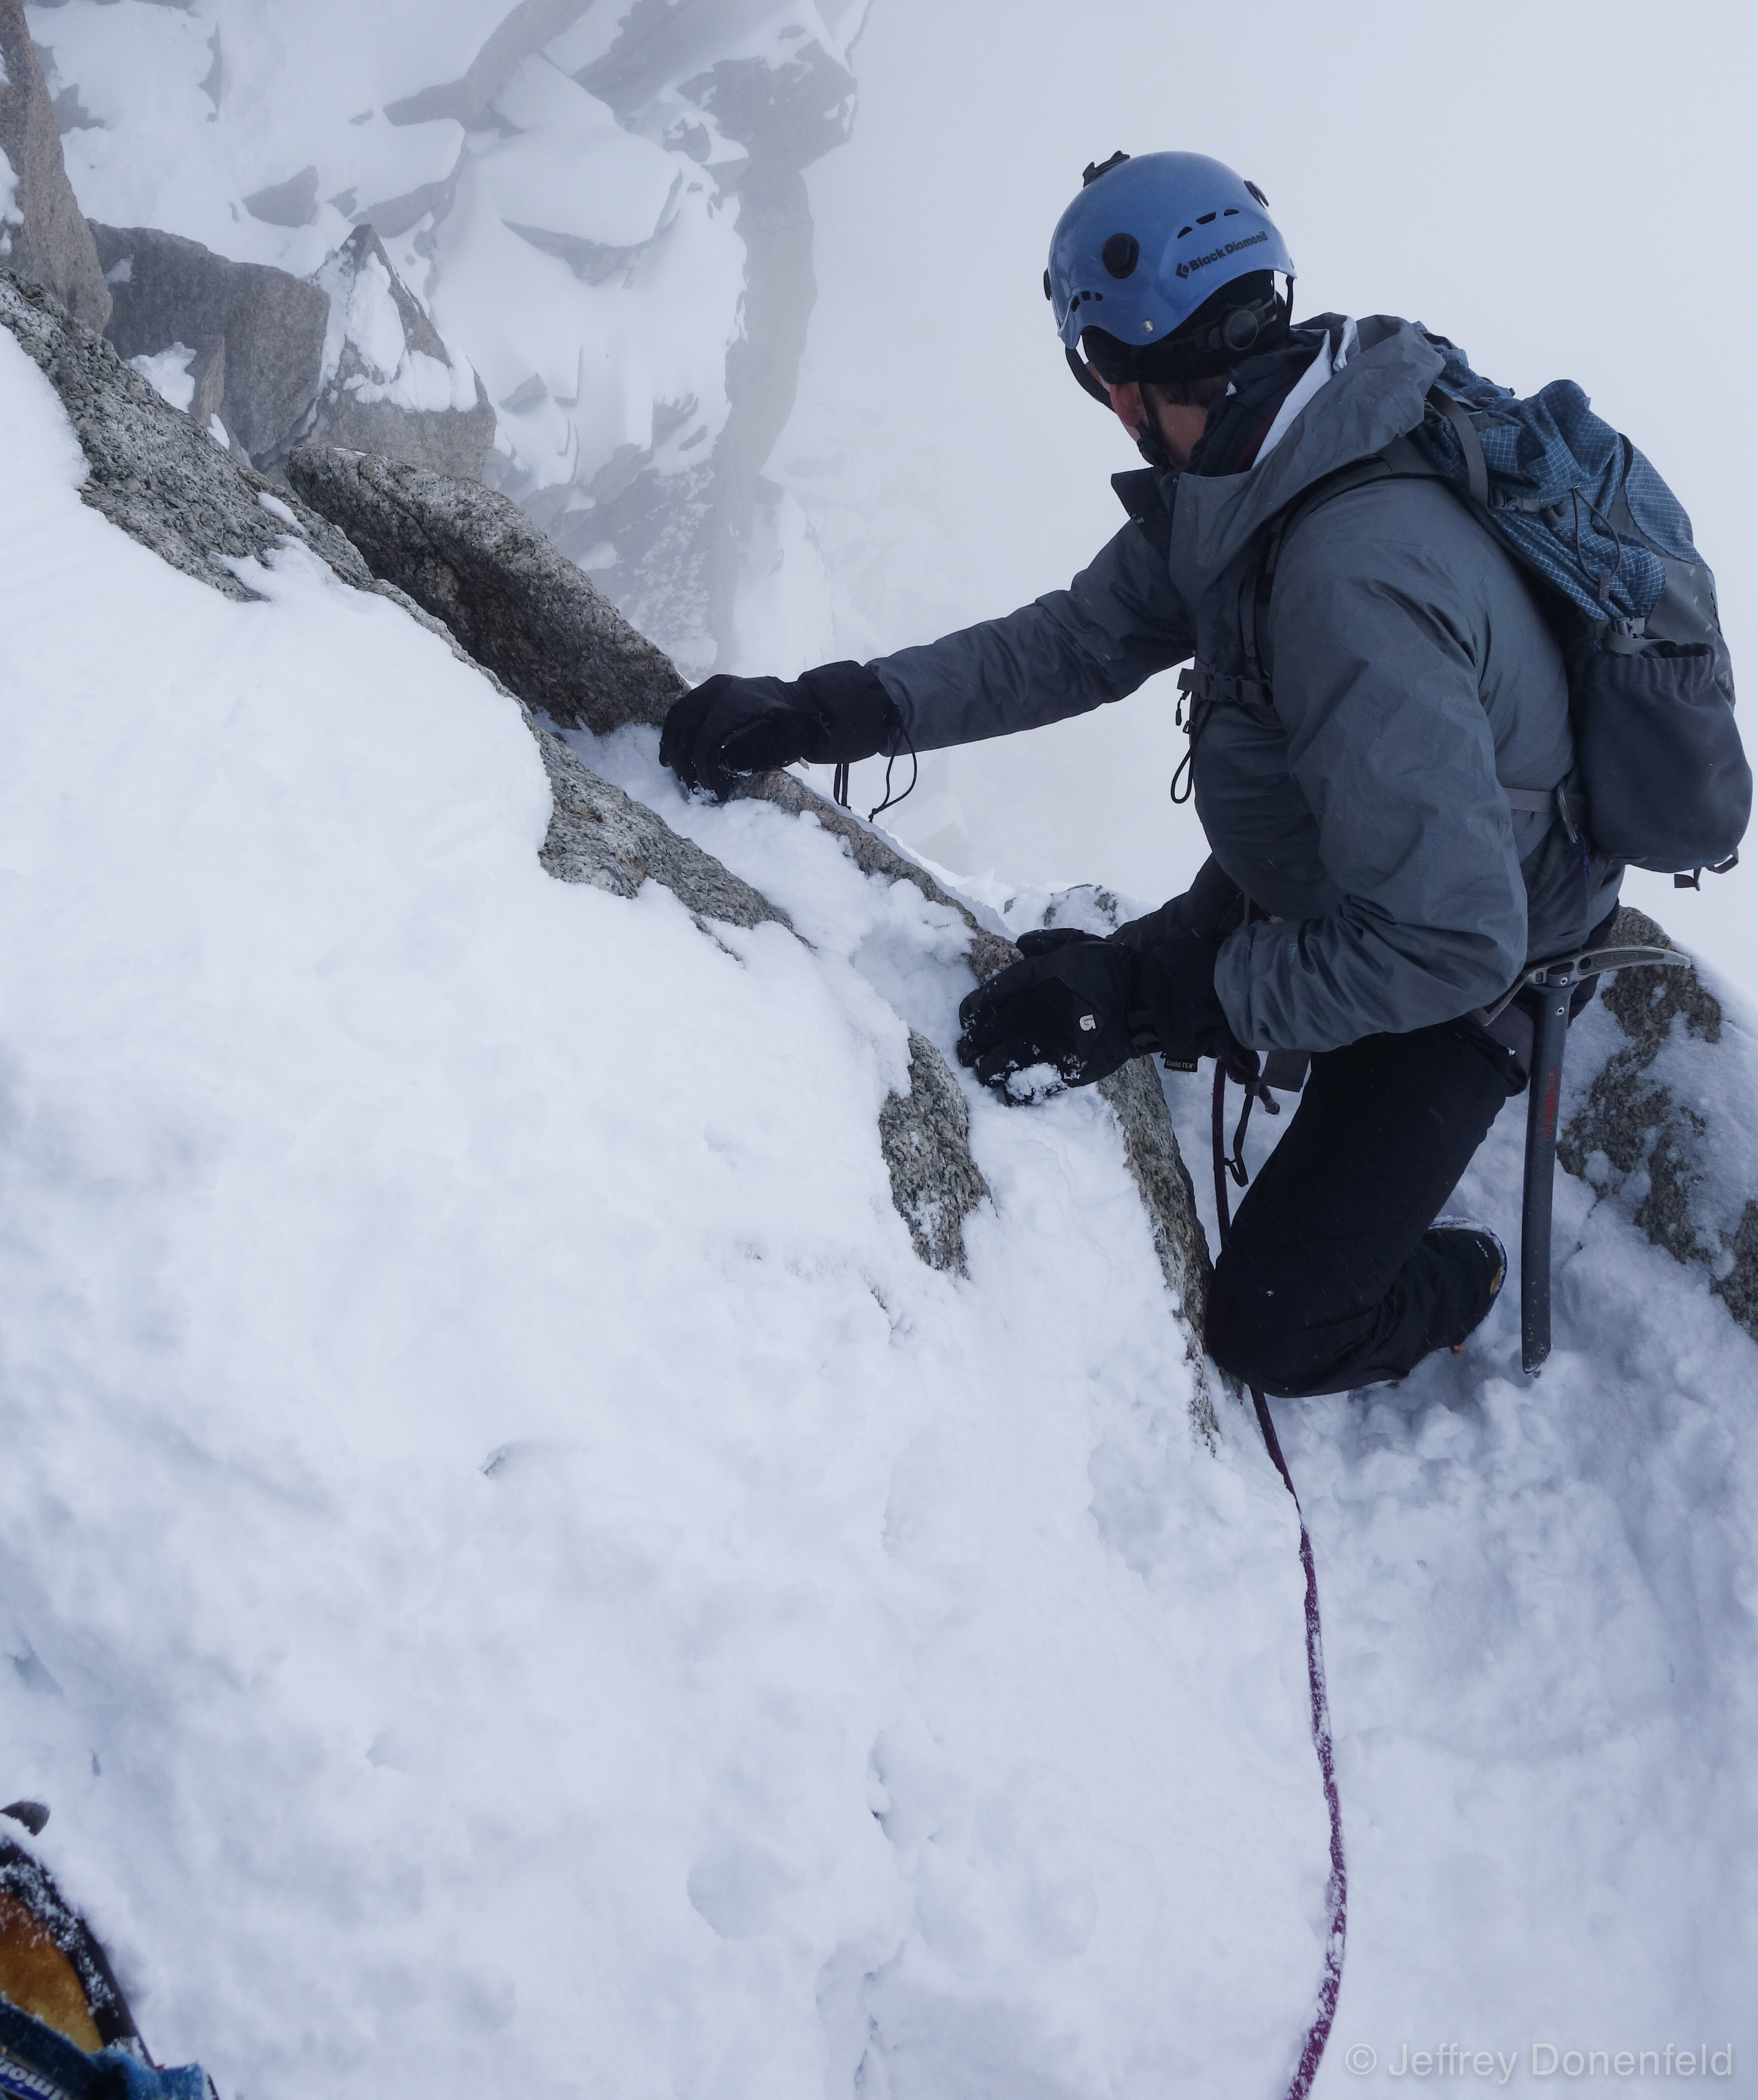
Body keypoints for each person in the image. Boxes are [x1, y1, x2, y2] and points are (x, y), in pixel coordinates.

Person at [660, 150, 1625, 1396]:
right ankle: (1187, 984)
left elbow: (1450, 941)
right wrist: (828, 710)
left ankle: (1462, 1275)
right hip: (1342, 859)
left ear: (1118, 381)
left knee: (1276, 1329)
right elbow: (1073, 643)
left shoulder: (1351, 578)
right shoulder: (1257, 462)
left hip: (1476, 959)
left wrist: (1162, 997)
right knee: (1080, 983)